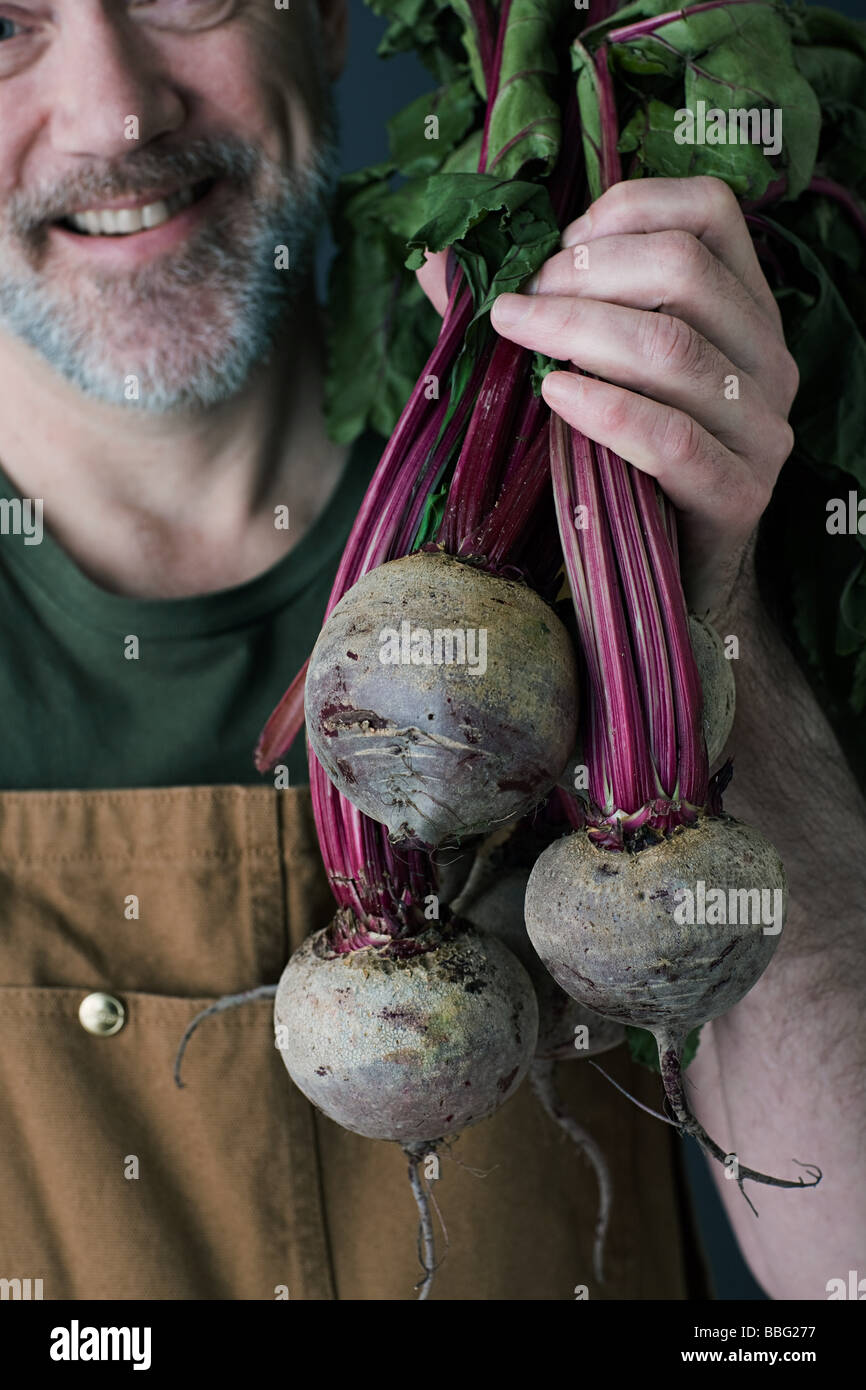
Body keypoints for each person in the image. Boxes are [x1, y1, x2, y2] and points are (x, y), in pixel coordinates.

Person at [0, 0, 861, 1302]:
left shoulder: (632, 480)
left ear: (332, 23)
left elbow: (843, 1264)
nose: (113, 108)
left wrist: (716, 616)